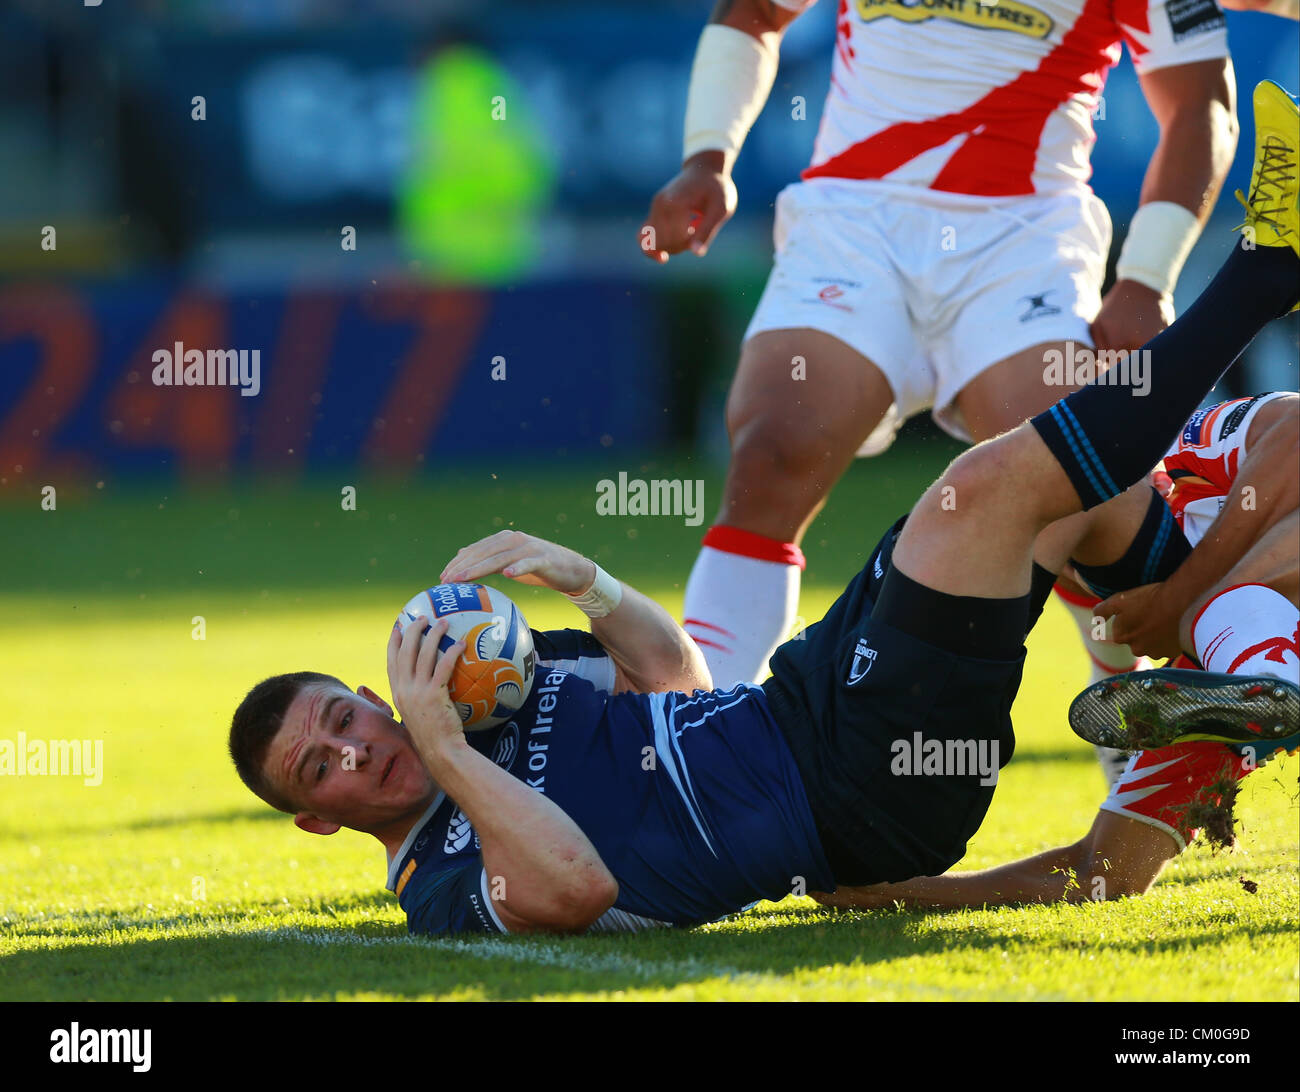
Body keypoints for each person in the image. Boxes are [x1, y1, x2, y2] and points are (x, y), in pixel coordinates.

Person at [230, 82, 1299, 936]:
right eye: (321, 768)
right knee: (983, 491)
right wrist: (449, 759)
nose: (359, 748)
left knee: (1071, 507)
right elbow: (576, 892)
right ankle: (1261, 277)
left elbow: (674, 681)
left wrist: (583, 580)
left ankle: (1214, 687)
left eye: (344, 718)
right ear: (318, 819)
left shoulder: (487, 689)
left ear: (369, 693)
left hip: (796, 700)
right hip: (844, 793)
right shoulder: (438, 888)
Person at [642, 0, 1239, 734]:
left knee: (1084, 490)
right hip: (854, 223)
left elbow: (1201, 99)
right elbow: (757, 11)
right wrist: (707, 156)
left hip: (1022, 238)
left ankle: (1126, 697)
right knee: (772, 452)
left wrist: (1146, 276)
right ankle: (701, 735)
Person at [813, 392, 1299, 911]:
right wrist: (884, 893)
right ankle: (1269, 682)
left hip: (1223, 650)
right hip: (1226, 676)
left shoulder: (1180, 454)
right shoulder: (1177, 679)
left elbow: (1294, 427)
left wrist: (1178, 601)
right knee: (1116, 860)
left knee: (1076, 491)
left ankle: (1271, 681)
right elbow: (1104, 875)